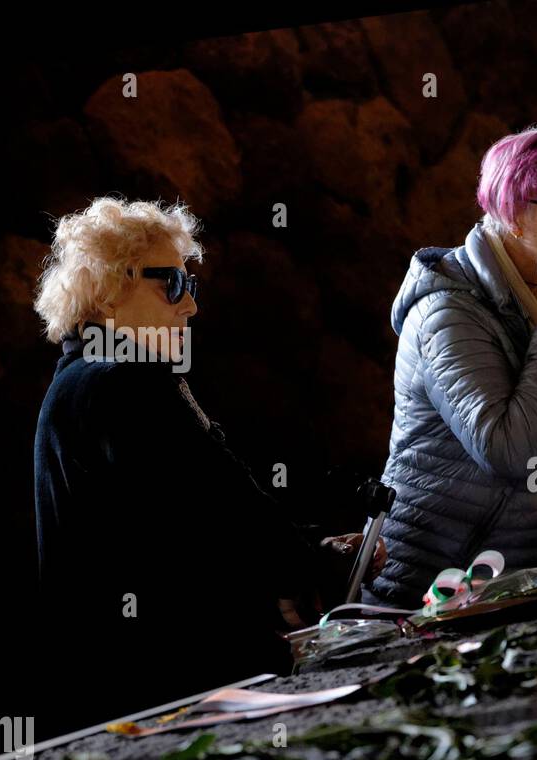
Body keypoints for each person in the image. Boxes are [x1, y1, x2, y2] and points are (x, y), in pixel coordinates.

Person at [31, 196, 381, 710]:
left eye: (189, 285)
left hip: (119, 688)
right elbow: (224, 506)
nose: (190, 304)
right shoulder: (122, 382)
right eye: (171, 284)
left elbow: (192, 517)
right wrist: (315, 563)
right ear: (107, 291)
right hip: (164, 690)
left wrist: (298, 564)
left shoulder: (82, 380)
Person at [372, 125, 537, 607]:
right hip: (435, 600)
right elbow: (511, 453)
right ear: (513, 215)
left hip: (517, 585)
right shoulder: (446, 313)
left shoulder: (530, 296)